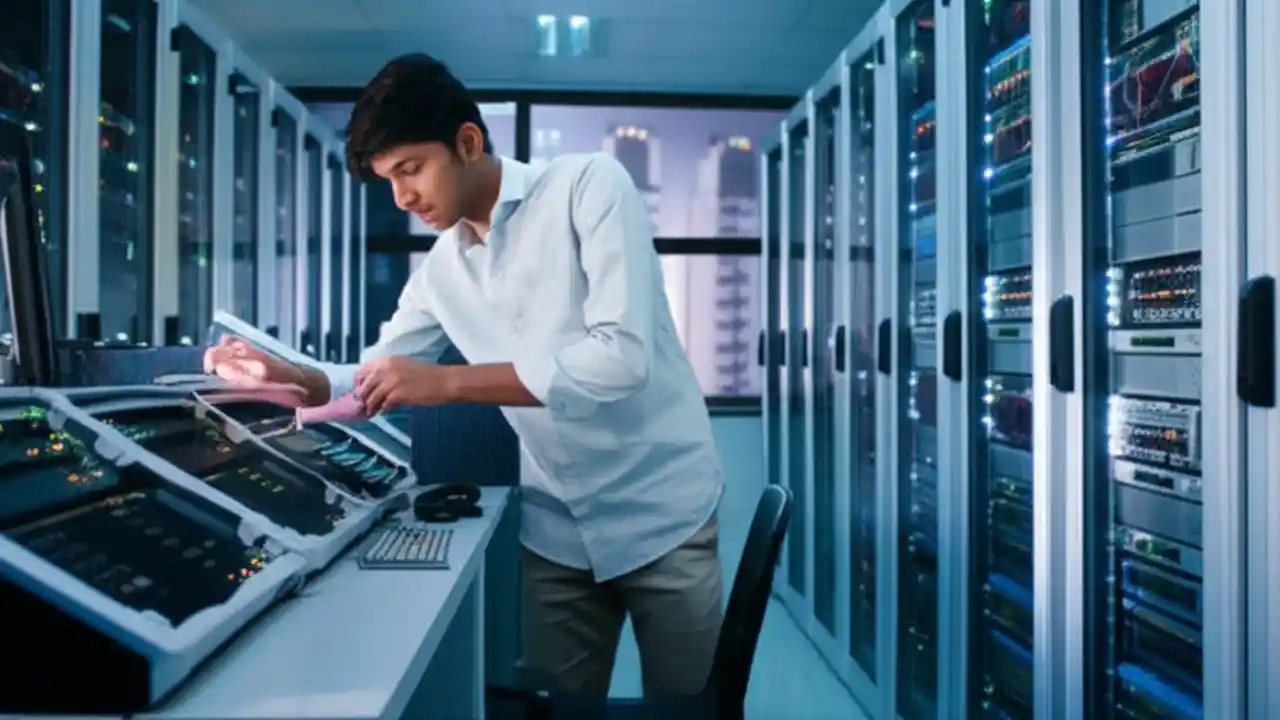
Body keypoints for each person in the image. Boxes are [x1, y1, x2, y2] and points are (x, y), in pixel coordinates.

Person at [203, 53, 726, 698]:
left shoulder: (588, 186)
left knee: (691, 713)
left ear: (468, 141)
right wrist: (294, 377)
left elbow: (618, 358)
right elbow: (376, 374)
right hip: (559, 532)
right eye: (388, 180)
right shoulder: (443, 274)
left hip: (663, 515)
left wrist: (448, 382)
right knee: (551, 715)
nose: (402, 197)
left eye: (411, 169)